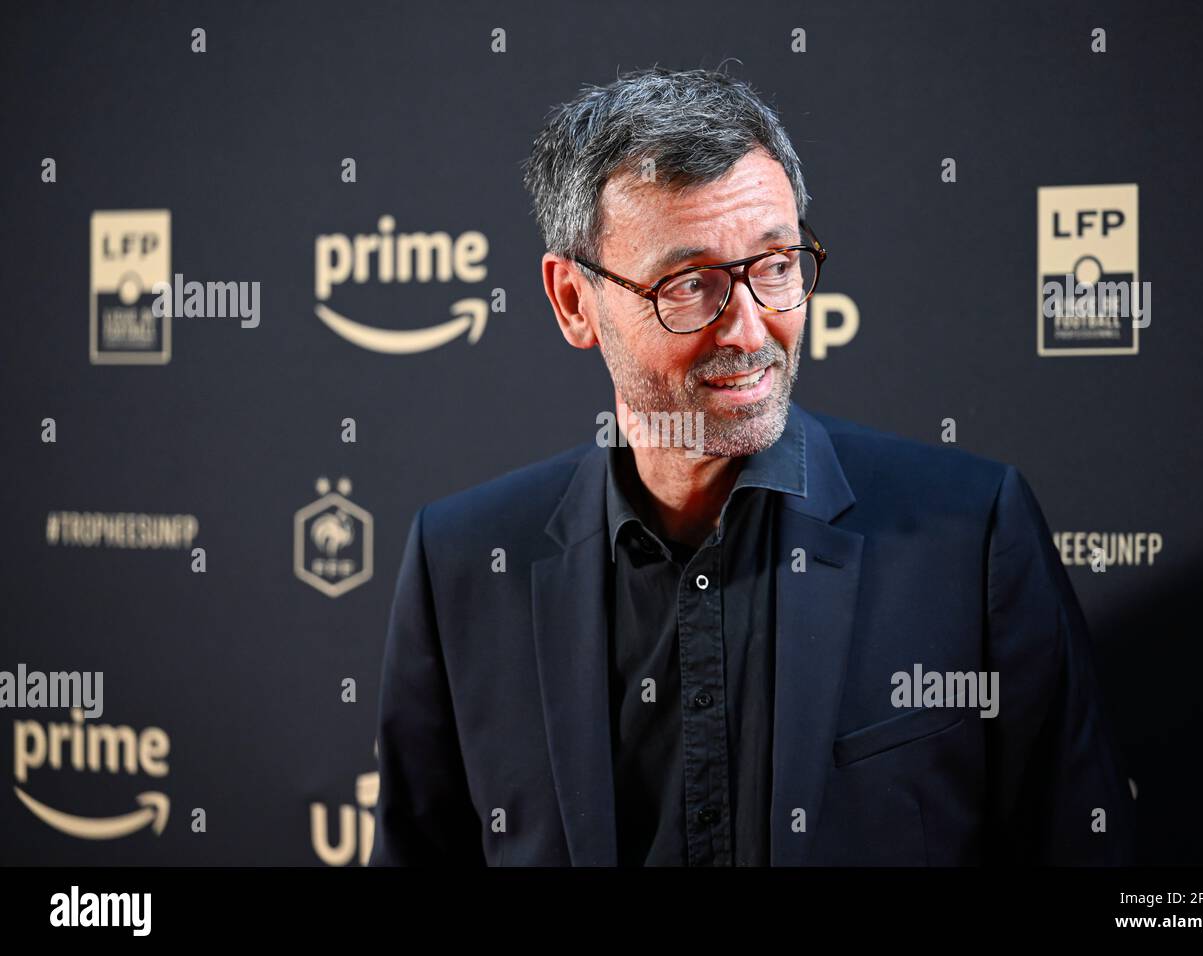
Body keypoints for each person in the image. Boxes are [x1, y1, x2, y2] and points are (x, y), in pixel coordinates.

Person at [370, 66, 1136, 866]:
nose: (748, 329)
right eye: (690, 284)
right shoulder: (461, 563)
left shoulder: (970, 534)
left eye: (775, 264)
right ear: (573, 301)